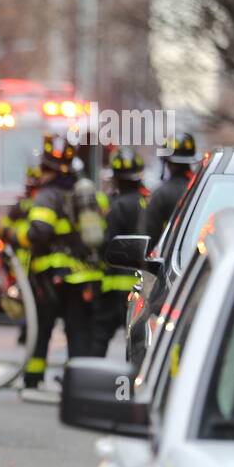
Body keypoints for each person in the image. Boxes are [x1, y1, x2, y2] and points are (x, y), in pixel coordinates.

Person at [23, 135, 102, 388]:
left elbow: (39, 232)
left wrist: (15, 236)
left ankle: (33, 379)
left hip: (51, 276)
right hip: (83, 276)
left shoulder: (47, 195)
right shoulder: (83, 191)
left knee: (40, 329)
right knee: (78, 331)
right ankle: (79, 383)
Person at [91, 148, 149, 356]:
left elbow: (107, 244)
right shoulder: (148, 202)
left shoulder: (117, 207)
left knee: (99, 334)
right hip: (143, 283)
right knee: (136, 338)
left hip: (114, 284)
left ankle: (90, 378)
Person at [0, 160, 42, 344]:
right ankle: (28, 330)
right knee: (29, 298)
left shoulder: (22, 204)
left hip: (24, 260)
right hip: (30, 259)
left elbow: (3, 229)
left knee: (28, 297)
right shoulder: (39, 202)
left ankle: (28, 331)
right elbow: (4, 229)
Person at [144, 133, 201, 248]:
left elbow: (149, 237)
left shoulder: (160, 195)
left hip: (166, 260)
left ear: (167, 162)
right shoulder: (202, 189)